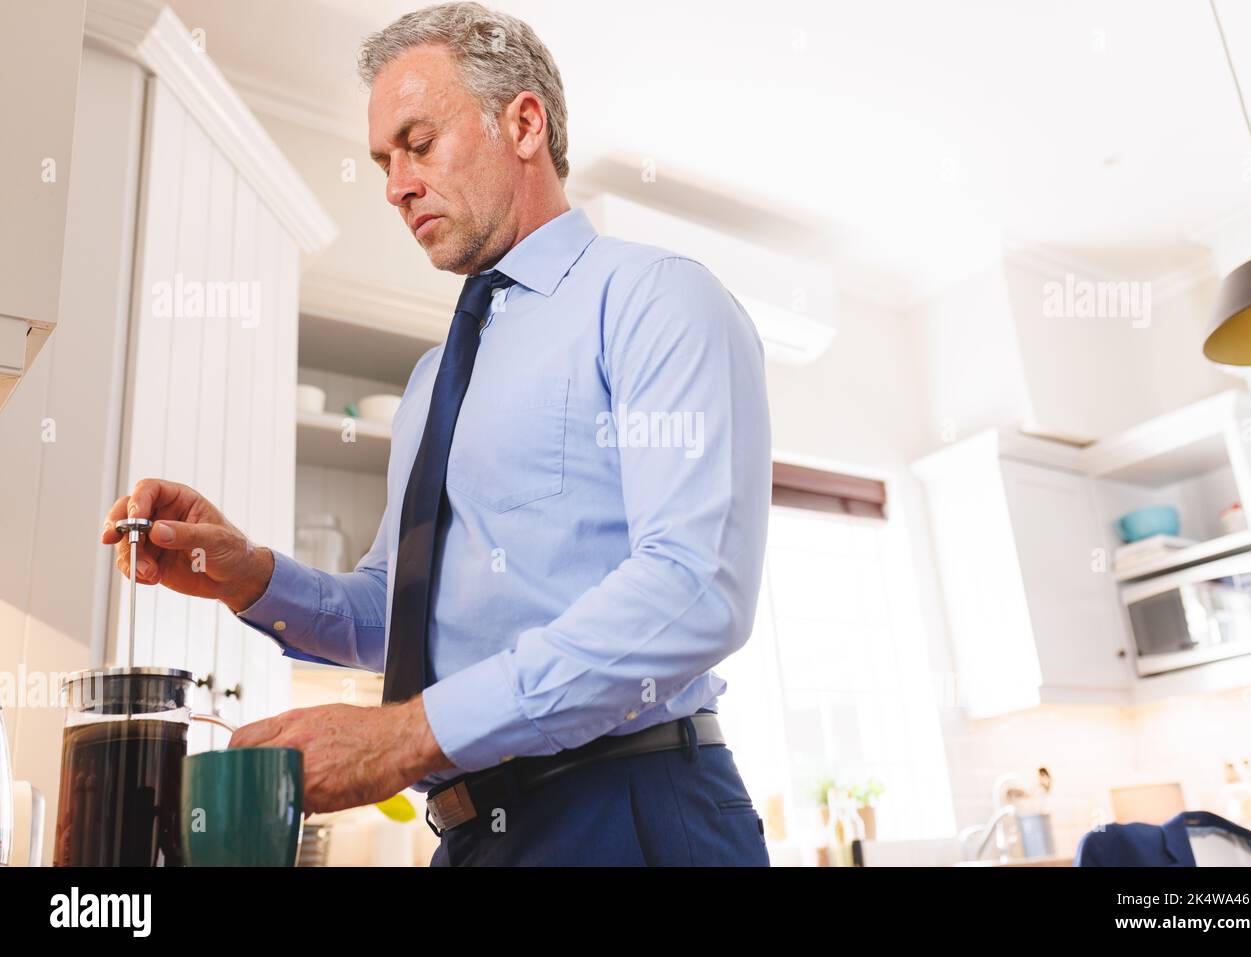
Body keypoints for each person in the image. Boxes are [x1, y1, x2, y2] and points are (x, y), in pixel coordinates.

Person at [103, 1, 771, 866]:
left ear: (523, 122)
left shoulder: (654, 299)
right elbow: (400, 617)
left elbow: (695, 587)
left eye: (418, 143)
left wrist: (404, 735)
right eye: (384, 161)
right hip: (467, 833)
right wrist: (249, 573)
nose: (393, 184)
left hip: (629, 805)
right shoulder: (431, 383)